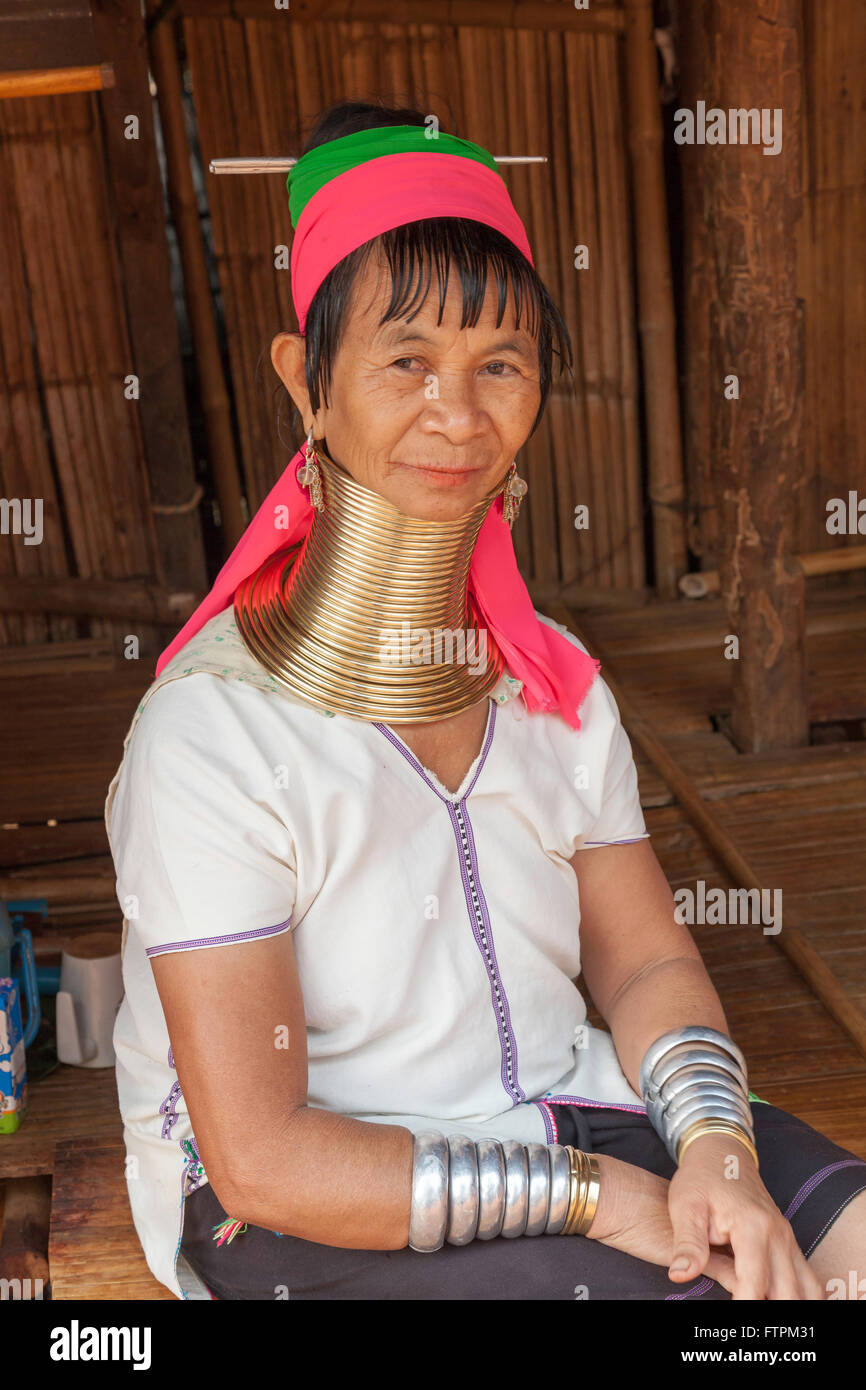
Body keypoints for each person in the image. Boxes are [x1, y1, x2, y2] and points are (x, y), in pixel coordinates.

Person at [105, 101, 866, 1301]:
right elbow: (259, 1157)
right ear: (307, 380)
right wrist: (608, 1197)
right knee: (716, 1310)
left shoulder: (550, 685)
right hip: (325, 1189)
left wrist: (715, 1148)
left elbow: (645, 965)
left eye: (499, 365)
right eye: (405, 359)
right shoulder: (215, 733)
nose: (457, 416)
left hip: (575, 1104)